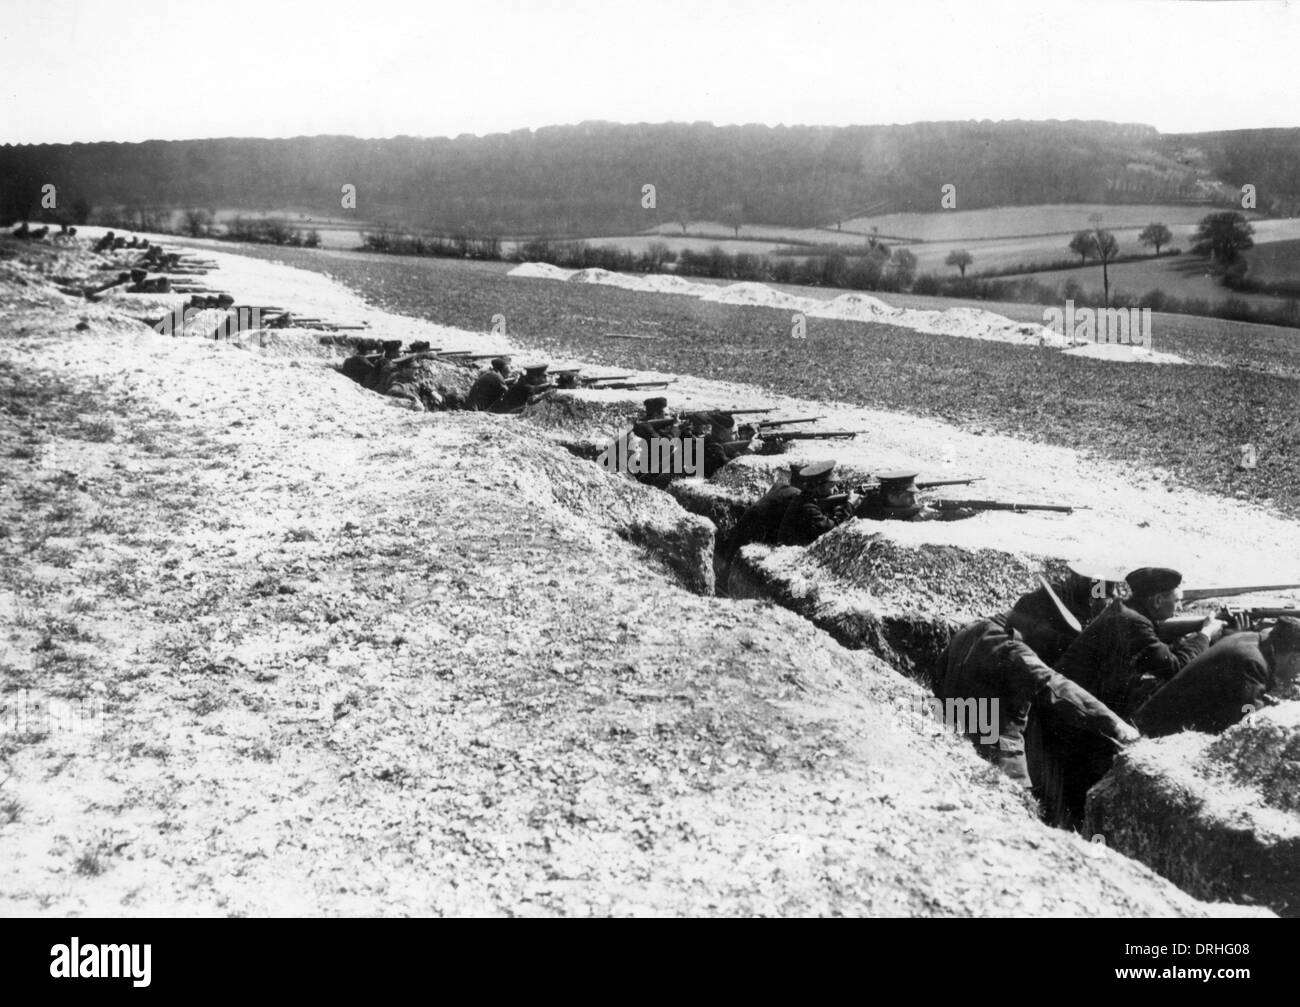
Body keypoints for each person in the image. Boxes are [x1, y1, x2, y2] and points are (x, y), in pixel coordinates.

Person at [1045, 566, 1223, 829]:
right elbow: (1174, 667)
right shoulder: (1133, 622)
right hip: (1076, 717)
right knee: (1083, 786)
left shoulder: (1124, 611)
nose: (1179, 605)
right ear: (1157, 600)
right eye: (1177, 600)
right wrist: (1205, 635)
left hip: (1076, 706)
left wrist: (1198, 626)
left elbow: (1157, 633)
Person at [937, 603, 1138, 791]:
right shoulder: (1012, 649)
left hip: (959, 741)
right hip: (1002, 759)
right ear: (1037, 624)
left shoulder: (971, 629)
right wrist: (1115, 724)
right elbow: (1054, 685)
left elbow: (938, 678)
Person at [1133, 617, 1300, 737]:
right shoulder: (1252, 663)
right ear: (1294, 659)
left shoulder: (1252, 640)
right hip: (1158, 736)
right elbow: (1248, 720)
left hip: (1164, 723)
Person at [776, 460, 852, 546]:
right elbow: (833, 530)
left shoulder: (807, 498)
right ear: (818, 487)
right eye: (831, 485)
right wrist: (850, 504)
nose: (836, 489)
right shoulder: (807, 507)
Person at [857, 470, 975, 522]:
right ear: (892, 497)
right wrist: (920, 517)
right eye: (907, 496)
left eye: (914, 495)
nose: (914, 500)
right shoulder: (869, 512)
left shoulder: (884, 508)